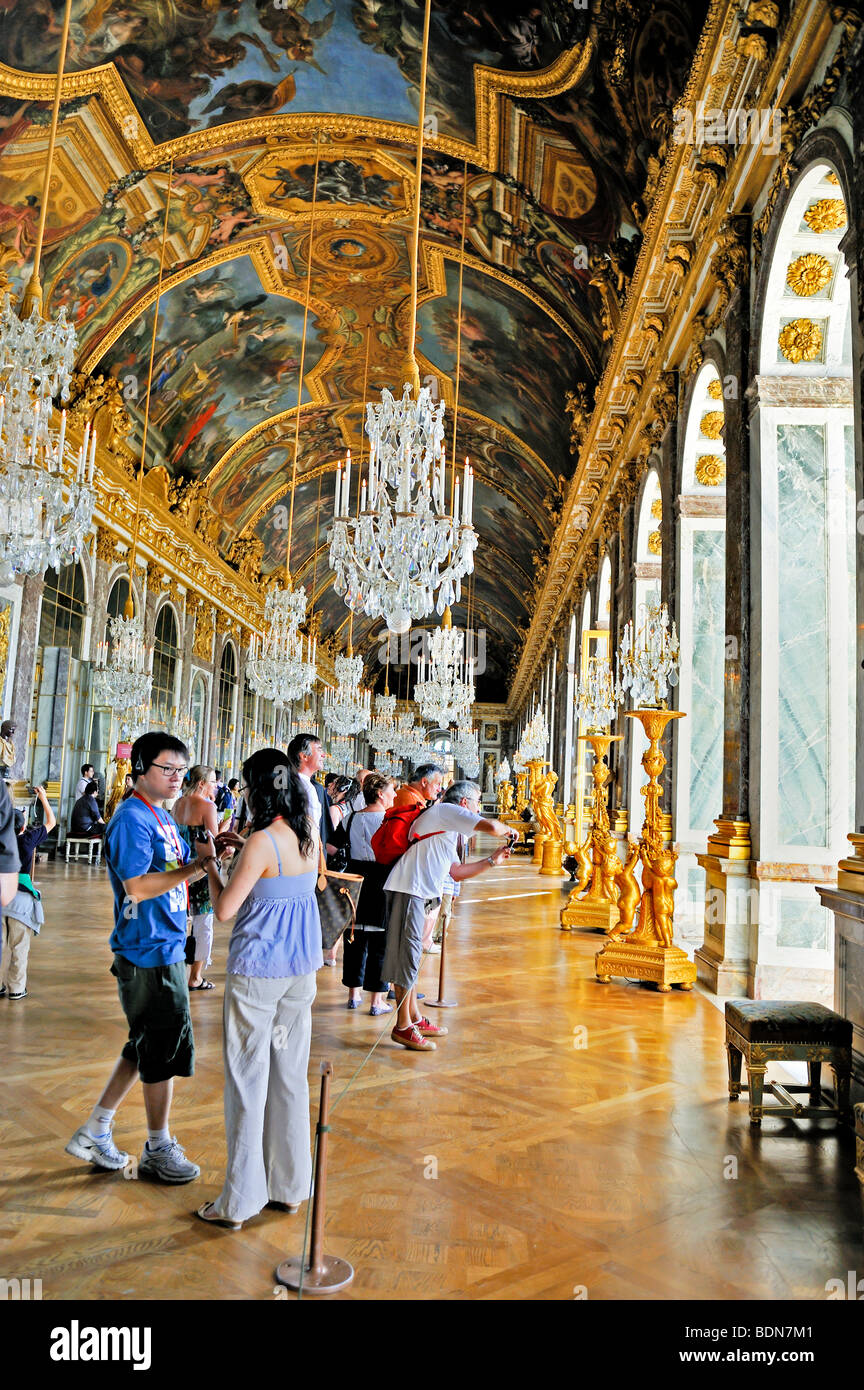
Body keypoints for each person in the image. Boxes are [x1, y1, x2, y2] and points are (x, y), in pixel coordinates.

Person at [64, 732, 224, 1180]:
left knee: (145, 1044)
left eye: (181, 770)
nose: (177, 777)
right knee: (161, 1050)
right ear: (140, 769)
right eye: (167, 769)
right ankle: (157, 1146)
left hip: (165, 942)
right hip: (147, 948)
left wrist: (210, 853)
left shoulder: (163, 816)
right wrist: (196, 868)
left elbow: (170, 871)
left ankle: (96, 1128)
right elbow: (137, 885)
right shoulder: (132, 818)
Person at [195, 748, 321, 1230]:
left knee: (248, 1080)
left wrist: (211, 863)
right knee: (289, 1077)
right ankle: (289, 1188)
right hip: (300, 972)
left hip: (258, 974)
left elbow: (225, 910)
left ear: (256, 791)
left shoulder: (262, 842)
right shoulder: (305, 836)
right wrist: (241, 848)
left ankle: (240, 1200)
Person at [382, 781, 514, 1052]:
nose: (479, 806)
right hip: (409, 889)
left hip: (419, 892)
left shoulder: (449, 828)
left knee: (412, 957)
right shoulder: (445, 811)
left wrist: (492, 860)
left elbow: (454, 871)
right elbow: (491, 826)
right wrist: (509, 830)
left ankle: (414, 1017)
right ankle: (403, 1026)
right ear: (464, 803)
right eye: (477, 800)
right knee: (405, 958)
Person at [342, 773, 397, 1015]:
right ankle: (376, 1000)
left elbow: (335, 846)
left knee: (354, 936)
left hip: (354, 881)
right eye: (391, 791)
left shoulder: (350, 817)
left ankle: (353, 995)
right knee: (380, 941)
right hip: (381, 880)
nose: (394, 795)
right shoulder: (389, 820)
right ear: (380, 794)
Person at [0, 785, 56, 1000]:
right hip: (20, 900)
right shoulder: (26, 840)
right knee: (19, 947)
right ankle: (16, 988)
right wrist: (43, 797)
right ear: (23, 828)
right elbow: (51, 822)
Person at [173, 764, 220, 990]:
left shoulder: (177, 804)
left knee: (180, 919)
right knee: (203, 922)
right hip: (200, 870)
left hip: (178, 868)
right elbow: (214, 842)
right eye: (212, 782)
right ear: (202, 784)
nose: (216, 786)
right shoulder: (207, 806)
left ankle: (176, 971)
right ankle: (196, 976)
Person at [287, 733, 329, 845]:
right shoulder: (307, 789)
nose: (323, 755)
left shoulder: (285, 782)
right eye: (319, 750)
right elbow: (312, 834)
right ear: (304, 756)